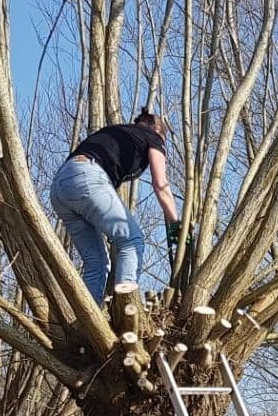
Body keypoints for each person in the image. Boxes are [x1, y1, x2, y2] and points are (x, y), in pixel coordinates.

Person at [50, 109, 181, 301]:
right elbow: (161, 184)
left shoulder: (116, 131)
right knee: (132, 240)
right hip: (88, 177)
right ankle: (126, 308)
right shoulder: (152, 136)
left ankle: (88, 315)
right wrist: (175, 224)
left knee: (96, 262)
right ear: (157, 129)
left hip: (59, 188)